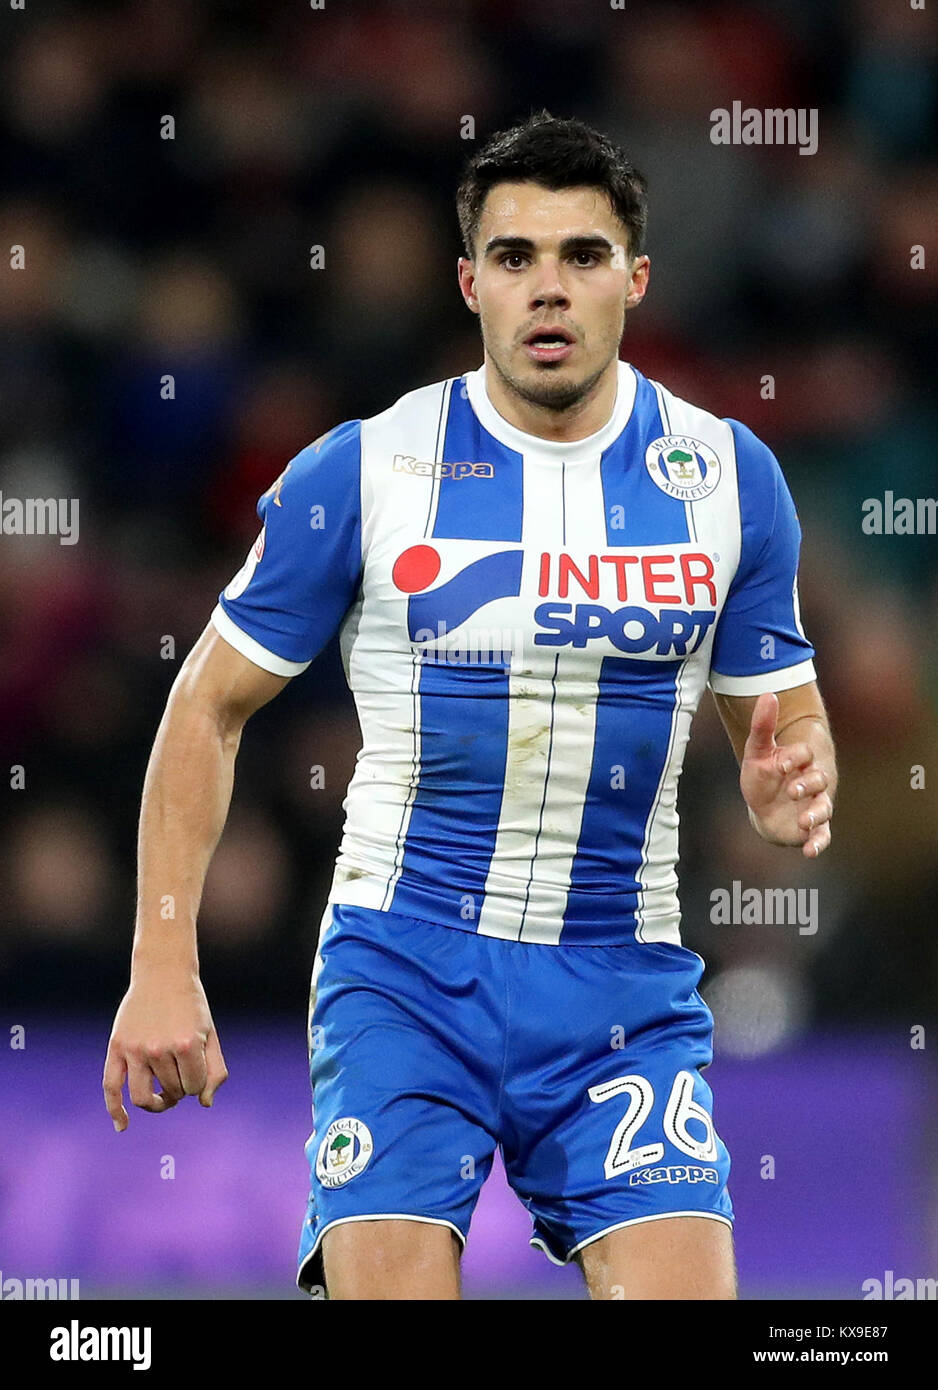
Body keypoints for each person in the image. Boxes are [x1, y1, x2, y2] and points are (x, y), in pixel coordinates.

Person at [103, 112, 837, 1300]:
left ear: (634, 279)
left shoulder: (724, 477)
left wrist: (786, 776)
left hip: (621, 984)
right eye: (514, 257)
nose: (547, 289)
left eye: (581, 256)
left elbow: (789, 736)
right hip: (404, 968)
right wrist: (161, 959)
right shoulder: (366, 468)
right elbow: (204, 707)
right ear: (469, 282)